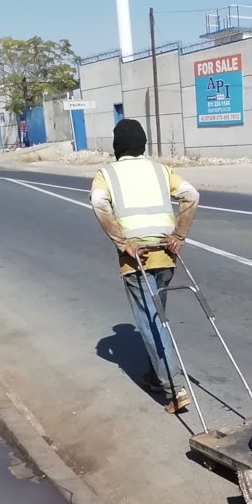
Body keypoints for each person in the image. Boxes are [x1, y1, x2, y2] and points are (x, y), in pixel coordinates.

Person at [90, 119, 200, 414]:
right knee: (158, 317)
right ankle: (156, 375)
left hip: (136, 255)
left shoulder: (107, 174)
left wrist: (122, 241)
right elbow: (191, 195)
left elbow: (99, 203)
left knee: (151, 320)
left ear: (117, 147)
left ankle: (173, 387)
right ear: (143, 144)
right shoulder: (160, 170)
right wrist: (179, 235)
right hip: (165, 254)